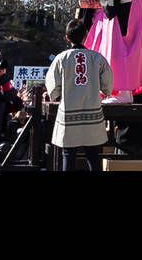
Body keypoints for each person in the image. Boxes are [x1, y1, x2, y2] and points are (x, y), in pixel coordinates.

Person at [45, 18, 112, 171]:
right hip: (92, 112)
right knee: (93, 156)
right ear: (85, 36)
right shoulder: (97, 58)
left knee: (68, 155)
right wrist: (106, 91)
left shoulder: (61, 59)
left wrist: (56, 95)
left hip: (69, 112)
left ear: (67, 38)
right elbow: (108, 82)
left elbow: (52, 86)